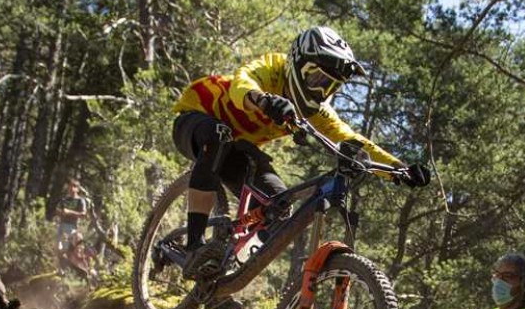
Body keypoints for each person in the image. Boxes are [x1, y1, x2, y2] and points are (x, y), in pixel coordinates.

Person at [171, 26, 433, 278]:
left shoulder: (315, 111)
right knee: (219, 135)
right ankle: (194, 246)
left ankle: (221, 274)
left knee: (279, 206)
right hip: (196, 119)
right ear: (299, 64)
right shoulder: (274, 68)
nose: (320, 91)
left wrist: (399, 169)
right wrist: (263, 99)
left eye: (329, 87)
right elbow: (243, 82)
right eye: (318, 79)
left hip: (237, 149)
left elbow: (351, 139)